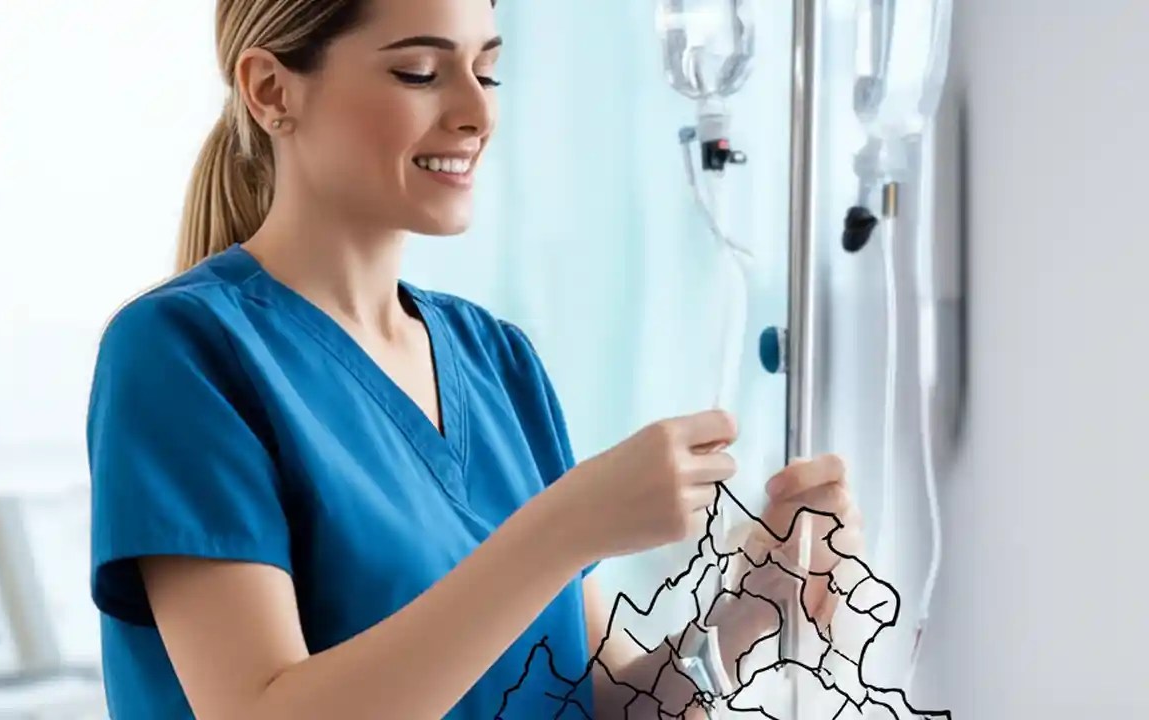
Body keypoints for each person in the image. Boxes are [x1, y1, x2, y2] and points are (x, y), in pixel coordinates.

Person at [85, 0, 863, 717]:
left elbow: (605, 701)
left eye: (487, 71)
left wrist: (756, 607)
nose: (477, 111)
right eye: (420, 73)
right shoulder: (180, 354)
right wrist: (569, 525)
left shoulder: (496, 360)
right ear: (271, 89)